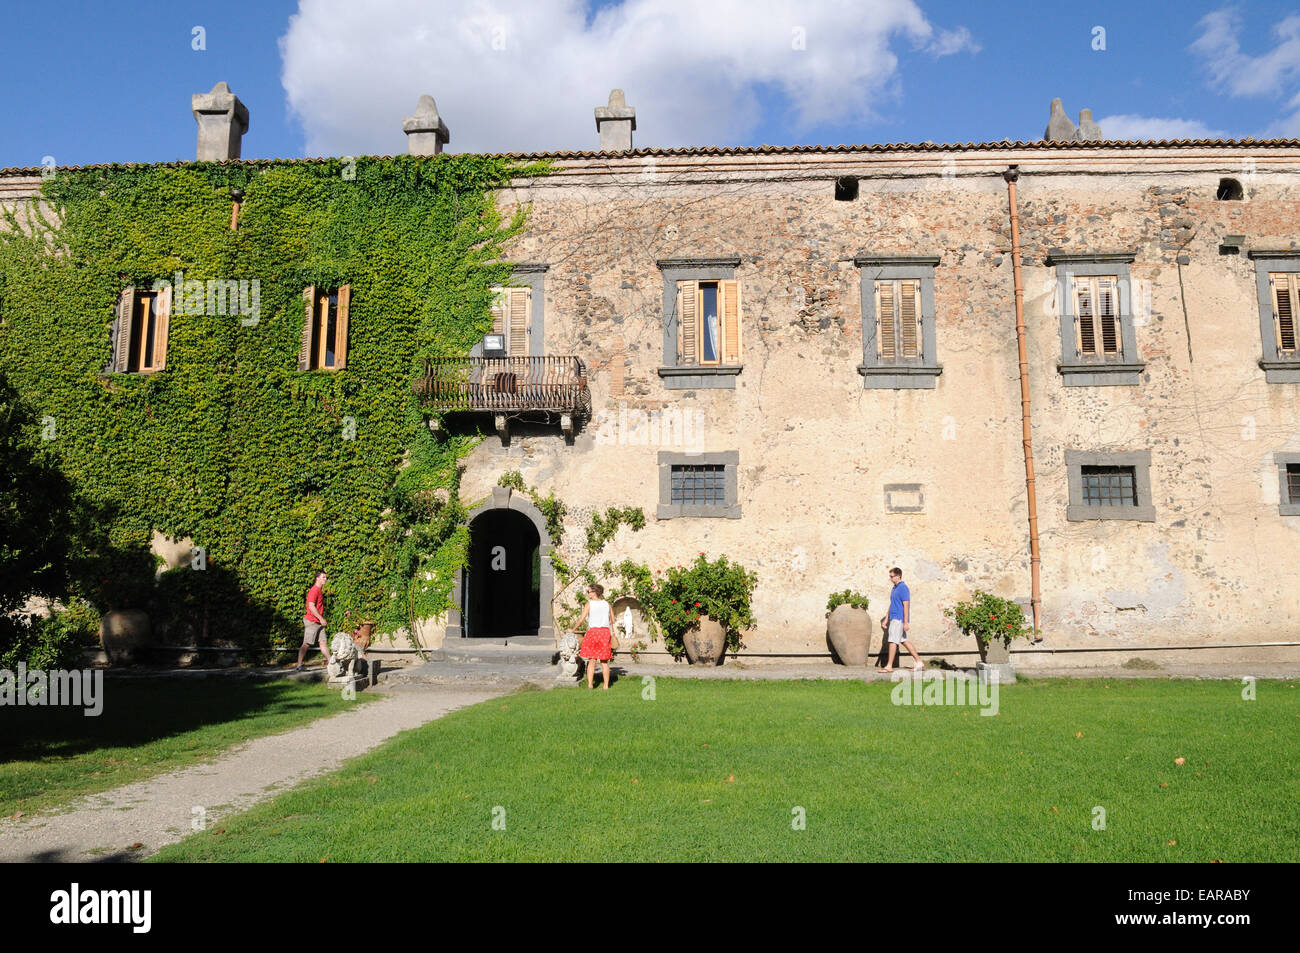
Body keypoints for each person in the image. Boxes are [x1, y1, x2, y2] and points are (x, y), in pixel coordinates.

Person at [879, 566, 923, 674]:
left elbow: (906, 605)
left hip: (899, 618)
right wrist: (886, 618)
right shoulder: (894, 588)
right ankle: (919, 662)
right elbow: (892, 604)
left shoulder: (903, 588)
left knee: (892, 641)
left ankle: (889, 666)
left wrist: (906, 622)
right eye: (890, 576)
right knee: (903, 641)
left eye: (892, 576)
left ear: (898, 576)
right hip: (893, 617)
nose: (890, 579)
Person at [573, 583, 613, 690]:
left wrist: (572, 629)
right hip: (604, 633)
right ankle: (605, 686)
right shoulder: (607, 604)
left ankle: (590, 685)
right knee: (604, 661)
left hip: (593, 633)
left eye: (588, 591)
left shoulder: (589, 604)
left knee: (592, 660)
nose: (587, 594)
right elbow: (612, 620)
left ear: (594, 592)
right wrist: (603, 622)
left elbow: (581, 620)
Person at [294, 571, 333, 671]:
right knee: (306, 643)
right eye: (323, 577)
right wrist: (321, 618)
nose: (325, 579)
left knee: (323, 642)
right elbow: (311, 606)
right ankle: (299, 666)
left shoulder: (319, 590)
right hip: (312, 621)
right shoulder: (314, 590)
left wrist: (320, 620)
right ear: (317, 578)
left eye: (325, 577)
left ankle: (331, 663)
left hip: (318, 622)